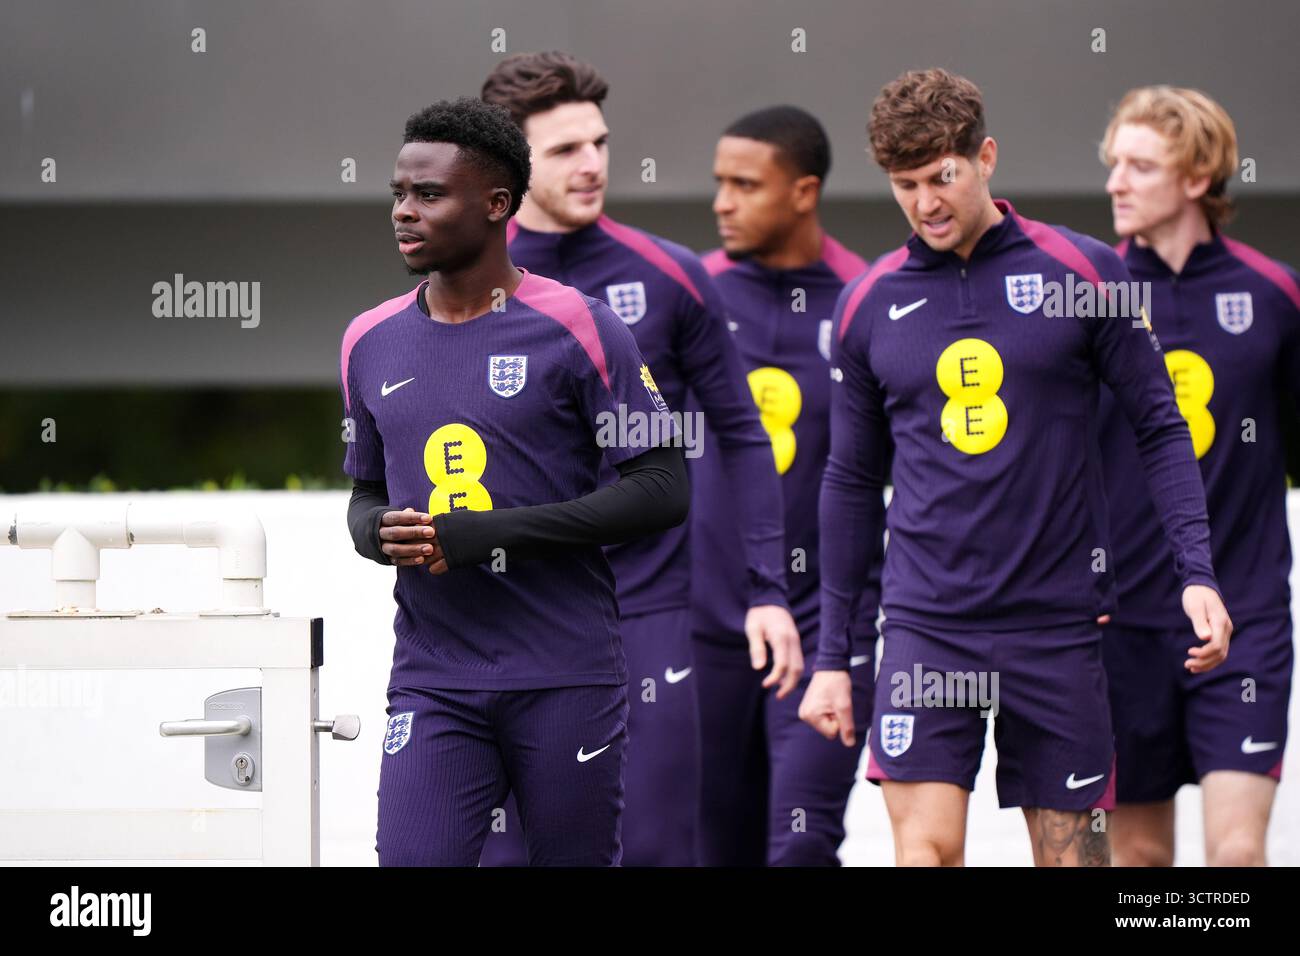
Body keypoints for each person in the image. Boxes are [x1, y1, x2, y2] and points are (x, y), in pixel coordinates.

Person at [799, 68, 1232, 866]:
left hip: (1058, 631)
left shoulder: (1086, 271)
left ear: (986, 157)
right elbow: (850, 483)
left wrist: (1195, 572)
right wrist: (832, 659)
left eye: (942, 177)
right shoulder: (867, 303)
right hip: (927, 630)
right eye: (905, 184)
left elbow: (1161, 428)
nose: (926, 202)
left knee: (1076, 861)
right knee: (923, 855)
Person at [340, 97, 688, 866]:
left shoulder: (583, 326)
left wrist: (495, 534)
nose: (405, 211)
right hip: (434, 680)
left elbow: (664, 486)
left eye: (429, 195)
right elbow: (363, 495)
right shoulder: (368, 340)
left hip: (566, 675)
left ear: (497, 205)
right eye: (399, 193)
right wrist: (374, 532)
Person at [476, 51, 796, 867]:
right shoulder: (466, 281)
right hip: (516, 615)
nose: (592, 166)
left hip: (646, 613)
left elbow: (743, 432)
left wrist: (767, 590)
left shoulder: (671, 276)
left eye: (600, 143)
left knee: (653, 849)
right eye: (565, 151)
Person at [1097, 85, 1298, 866]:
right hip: (1125, 623)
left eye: (1140, 166)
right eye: (1114, 163)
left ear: (1198, 176)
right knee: (1140, 859)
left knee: (1238, 853)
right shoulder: (1093, 294)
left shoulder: (1274, 293)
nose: (1116, 182)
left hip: (1244, 614)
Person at [692, 105, 879, 866]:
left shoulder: (868, 298)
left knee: (800, 848)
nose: (721, 202)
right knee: (713, 851)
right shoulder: (691, 294)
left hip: (827, 625)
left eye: (745, 185)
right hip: (703, 625)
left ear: (804, 192)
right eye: (718, 183)